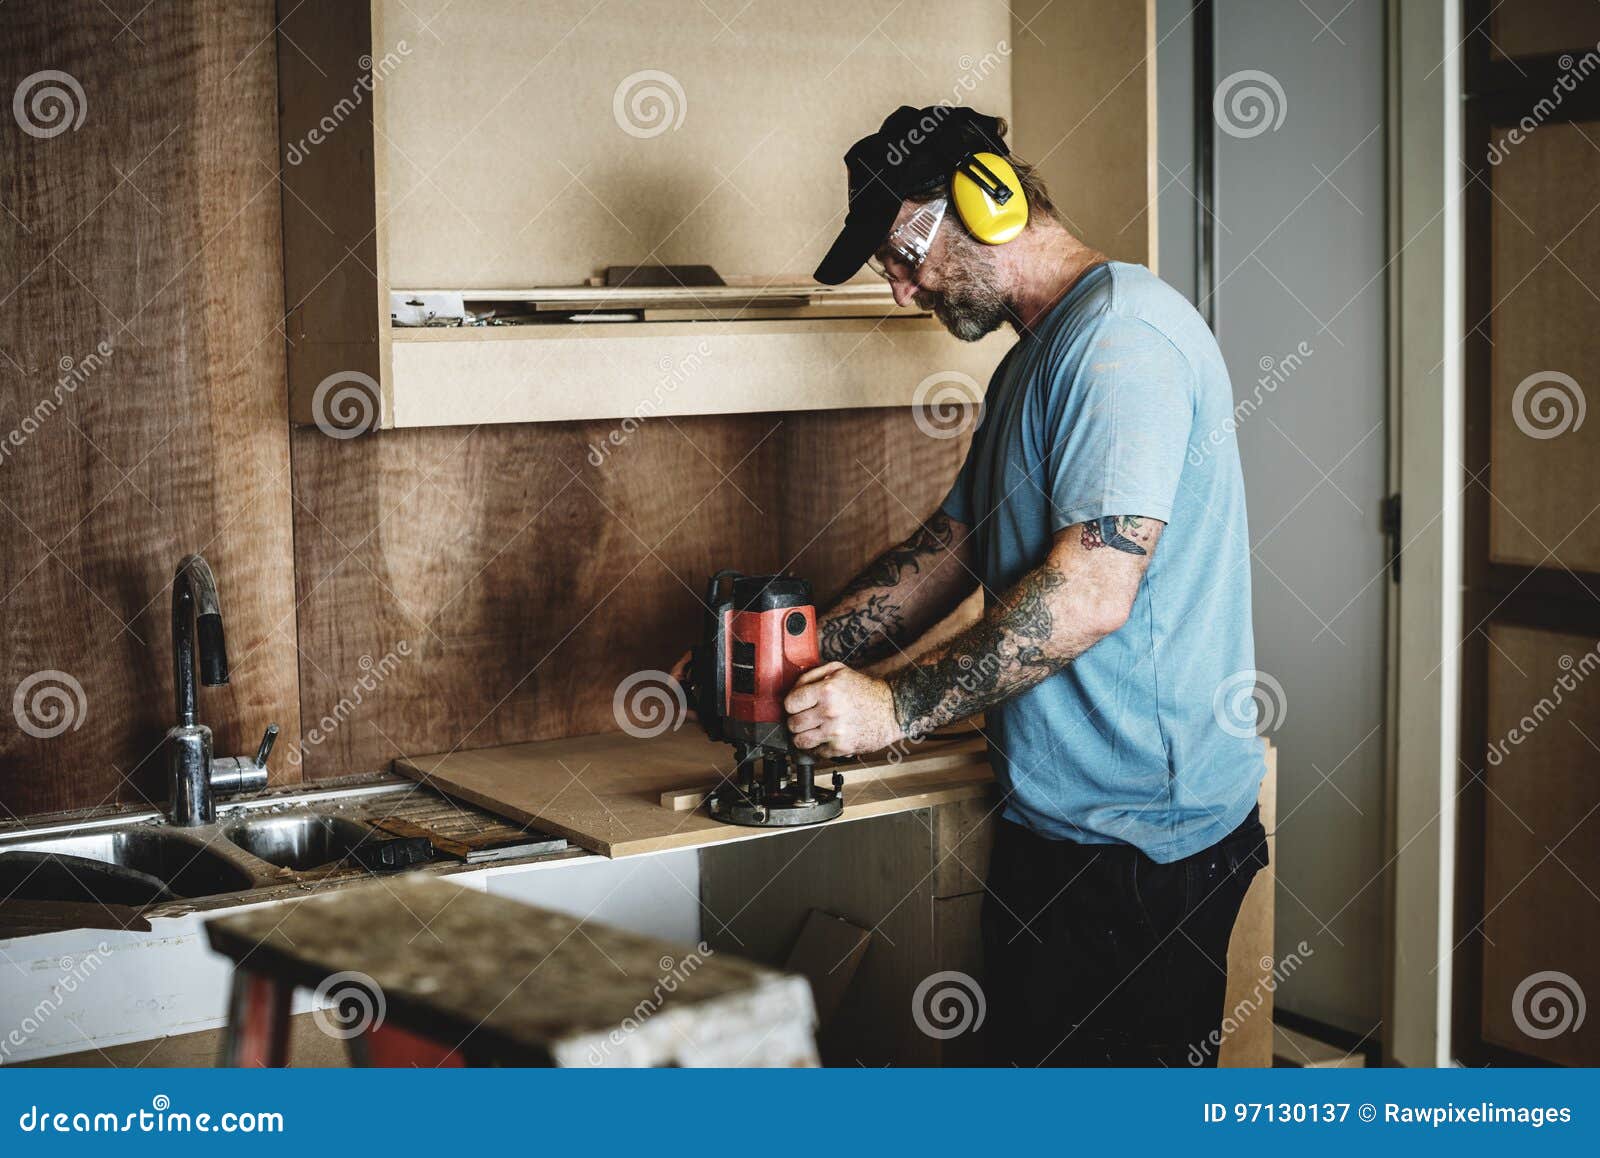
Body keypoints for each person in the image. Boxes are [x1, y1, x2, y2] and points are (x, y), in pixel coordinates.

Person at [781, 105, 1268, 1066]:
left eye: (901, 255)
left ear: (986, 201)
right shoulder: (1032, 362)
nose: (901, 290)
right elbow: (950, 547)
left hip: (1142, 849)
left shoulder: (1120, 344)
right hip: (1061, 825)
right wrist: (796, 646)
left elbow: (1091, 593)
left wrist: (893, 709)